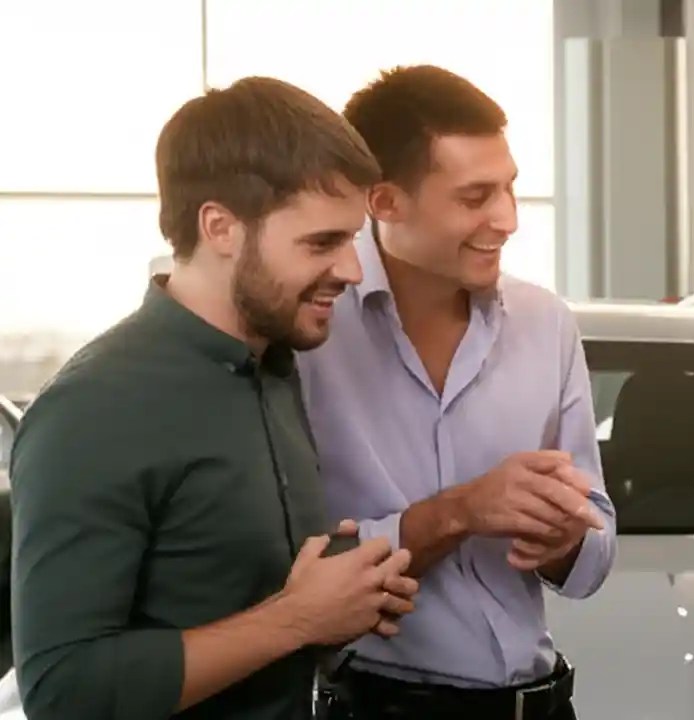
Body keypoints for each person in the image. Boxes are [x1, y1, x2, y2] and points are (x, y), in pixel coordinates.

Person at [9, 76, 421, 720]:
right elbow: (64, 690)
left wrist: (343, 597)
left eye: (351, 240)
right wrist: (296, 619)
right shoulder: (93, 410)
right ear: (220, 227)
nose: (352, 270)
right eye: (322, 243)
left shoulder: (279, 370)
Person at [296, 65, 617, 720]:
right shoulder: (309, 336)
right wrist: (462, 511)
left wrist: (562, 539)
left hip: (544, 703)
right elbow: (295, 573)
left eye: (510, 189)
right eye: (475, 198)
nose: (507, 219)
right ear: (384, 203)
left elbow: (595, 547)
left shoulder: (546, 323)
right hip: (376, 706)